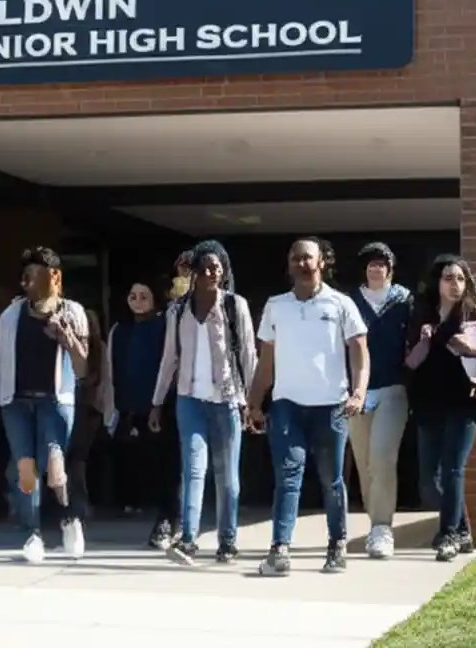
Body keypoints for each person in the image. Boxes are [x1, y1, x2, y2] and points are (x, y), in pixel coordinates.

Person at [248, 237, 369, 576]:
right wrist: (254, 401)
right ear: (289, 264)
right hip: (286, 404)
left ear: (322, 263)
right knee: (288, 476)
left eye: (308, 258)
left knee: (332, 479)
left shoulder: (341, 303)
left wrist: (358, 392)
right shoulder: (276, 306)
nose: (302, 264)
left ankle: (337, 545)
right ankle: (280, 550)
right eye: (295, 258)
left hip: (331, 405)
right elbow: (265, 361)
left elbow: (359, 351)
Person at [0, 246, 91, 564]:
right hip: (16, 402)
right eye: (25, 275)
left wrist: (67, 338)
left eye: (34, 274)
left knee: (56, 471)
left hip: (56, 402)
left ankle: (70, 519)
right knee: (24, 470)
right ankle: (33, 534)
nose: (26, 281)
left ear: (54, 276)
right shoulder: (11, 315)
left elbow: (83, 369)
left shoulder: (73, 312)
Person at [152, 240, 256, 566]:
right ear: (194, 271)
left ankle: (228, 541)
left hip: (226, 400)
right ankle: (189, 540)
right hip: (189, 400)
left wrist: (252, 403)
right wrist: (157, 402)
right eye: (205, 267)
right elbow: (169, 358)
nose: (211, 272)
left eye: (217, 267)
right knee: (193, 469)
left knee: (227, 476)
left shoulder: (234, 306)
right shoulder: (178, 309)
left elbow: (248, 355)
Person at [405, 254, 476, 562]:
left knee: (452, 470)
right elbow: (409, 363)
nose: (455, 284)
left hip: (465, 403)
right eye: (448, 278)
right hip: (428, 403)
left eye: (460, 278)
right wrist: (424, 342)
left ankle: (447, 534)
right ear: (438, 283)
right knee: (429, 480)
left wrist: (471, 348)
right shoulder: (422, 316)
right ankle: (462, 530)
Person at [346, 242, 413, 559]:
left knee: (383, 456)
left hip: (393, 390)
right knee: (365, 463)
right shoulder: (349, 302)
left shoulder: (405, 300)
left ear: (391, 267)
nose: (376, 268)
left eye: (382, 263)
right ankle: (375, 523)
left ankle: (383, 527)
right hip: (356, 393)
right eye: (371, 263)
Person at [103, 279, 180, 548]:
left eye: (144, 295)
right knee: (140, 461)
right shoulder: (119, 330)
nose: (138, 300)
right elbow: (112, 370)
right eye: (133, 295)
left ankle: (169, 519)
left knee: (166, 465)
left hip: (162, 406)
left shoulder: (165, 325)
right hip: (129, 406)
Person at [66, 309, 109, 529]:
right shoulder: (71, 345)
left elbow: (101, 380)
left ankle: (79, 505)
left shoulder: (98, 349)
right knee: (74, 458)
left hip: (89, 408)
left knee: (77, 458)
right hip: (76, 406)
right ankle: (76, 505)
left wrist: (103, 409)